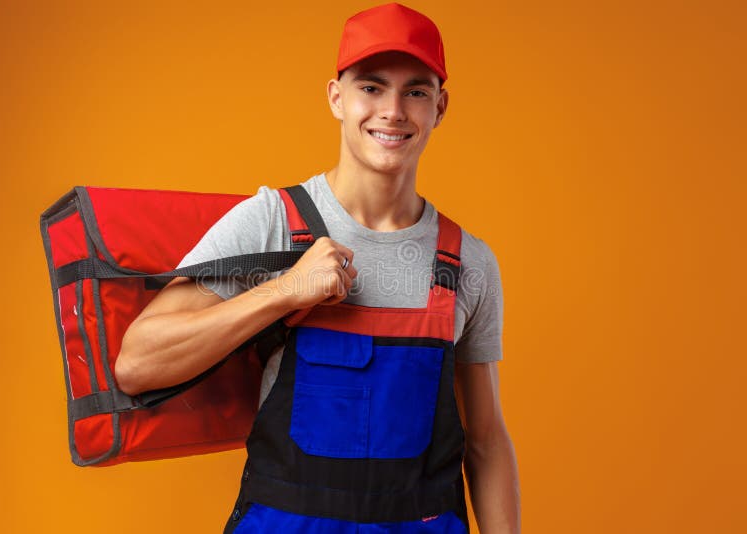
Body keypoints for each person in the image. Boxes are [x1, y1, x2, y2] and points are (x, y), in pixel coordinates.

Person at [115, 3, 520, 533]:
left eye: (415, 92)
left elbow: (486, 442)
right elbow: (138, 364)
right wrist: (285, 291)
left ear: (439, 107)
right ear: (336, 97)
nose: (393, 111)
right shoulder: (273, 223)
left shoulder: (467, 262)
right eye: (371, 87)